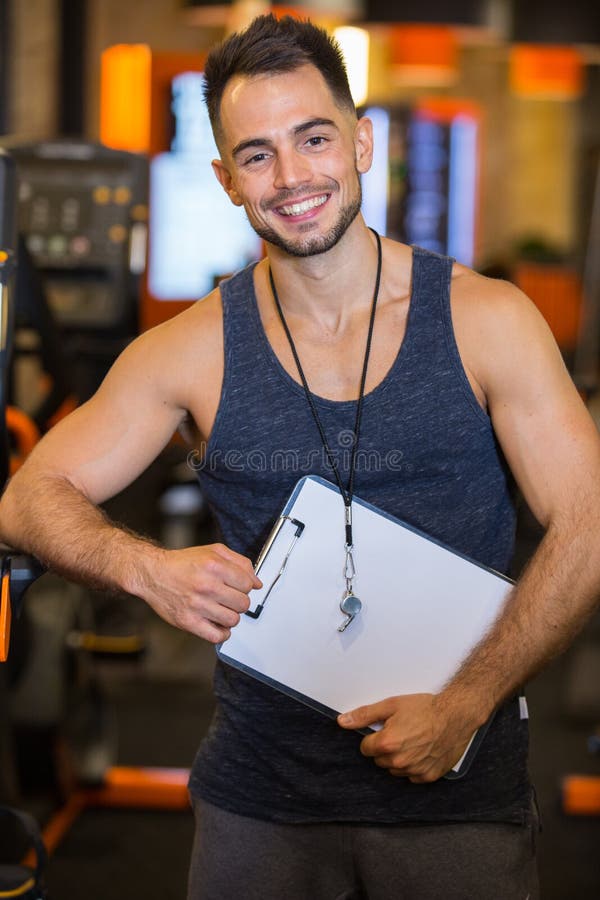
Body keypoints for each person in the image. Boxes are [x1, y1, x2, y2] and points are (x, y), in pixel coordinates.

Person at [1, 13, 600, 899]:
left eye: (312, 138)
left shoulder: (488, 322)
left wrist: (466, 706)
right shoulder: (193, 347)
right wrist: (144, 568)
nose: (291, 178)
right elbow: (27, 496)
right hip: (260, 803)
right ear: (226, 180)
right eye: (257, 155)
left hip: (458, 797)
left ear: (360, 142)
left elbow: (589, 522)